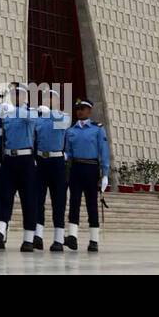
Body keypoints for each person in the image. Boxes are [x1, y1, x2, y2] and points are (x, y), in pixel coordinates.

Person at [0, 82, 40, 253]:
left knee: (28, 200)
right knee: (4, 198)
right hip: (8, 159)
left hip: (25, 160)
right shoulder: (6, 115)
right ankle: (0, 232)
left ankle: (28, 239)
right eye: (13, 94)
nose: (16, 97)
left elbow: (31, 119)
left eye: (19, 94)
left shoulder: (30, 112)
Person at [63, 98, 110, 251]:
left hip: (91, 168)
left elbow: (104, 152)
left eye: (83, 108)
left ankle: (94, 240)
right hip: (76, 168)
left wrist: (105, 174)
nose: (79, 111)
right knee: (74, 203)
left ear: (89, 111)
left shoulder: (97, 129)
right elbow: (68, 153)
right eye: (77, 109)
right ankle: (72, 237)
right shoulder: (71, 131)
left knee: (92, 204)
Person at [33, 87, 69, 251]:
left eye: (51, 99)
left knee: (58, 201)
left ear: (57, 102)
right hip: (41, 161)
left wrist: (52, 112)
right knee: (38, 200)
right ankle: (38, 236)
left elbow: (64, 124)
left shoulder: (63, 117)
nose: (47, 101)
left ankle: (58, 239)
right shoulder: (39, 120)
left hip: (57, 162)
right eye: (45, 99)